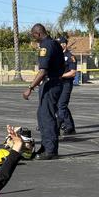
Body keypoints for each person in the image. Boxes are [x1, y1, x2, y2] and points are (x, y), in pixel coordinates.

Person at [22, 23, 65, 160]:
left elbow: (42, 71)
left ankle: (50, 150)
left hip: (50, 83)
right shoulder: (55, 43)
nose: (34, 38)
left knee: (46, 116)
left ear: (38, 34)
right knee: (43, 114)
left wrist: (30, 87)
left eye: (34, 35)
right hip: (54, 82)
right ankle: (46, 146)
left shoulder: (46, 46)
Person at [57, 35, 77, 136]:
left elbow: (73, 72)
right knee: (60, 106)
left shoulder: (70, 56)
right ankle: (70, 127)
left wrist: (61, 75)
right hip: (57, 84)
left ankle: (57, 125)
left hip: (66, 83)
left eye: (60, 44)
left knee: (61, 106)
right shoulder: (56, 56)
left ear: (64, 45)